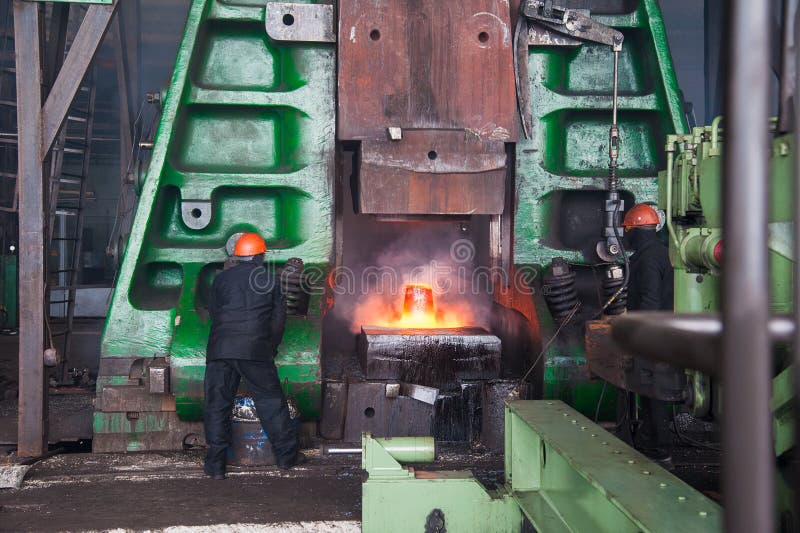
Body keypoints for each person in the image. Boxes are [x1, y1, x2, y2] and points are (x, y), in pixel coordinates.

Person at [203, 232, 303, 479]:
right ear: (260, 255)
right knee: (270, 403)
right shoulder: (270, 280)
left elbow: (215, 313)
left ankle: (216, 466)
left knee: (217, 405)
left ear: (237, 256)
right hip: (254, 350)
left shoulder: (221, 280)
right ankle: (286, 458)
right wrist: (269, 348)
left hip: (220, 350)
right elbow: (278, 323)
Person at [622, 203, 674, 464]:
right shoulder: (662, 253)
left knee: (653, 391)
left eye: (627, 231)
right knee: (652, 390)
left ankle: (660, 451)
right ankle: (646, 441)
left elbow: (650, 300)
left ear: (634, 231)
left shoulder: (649, 259)